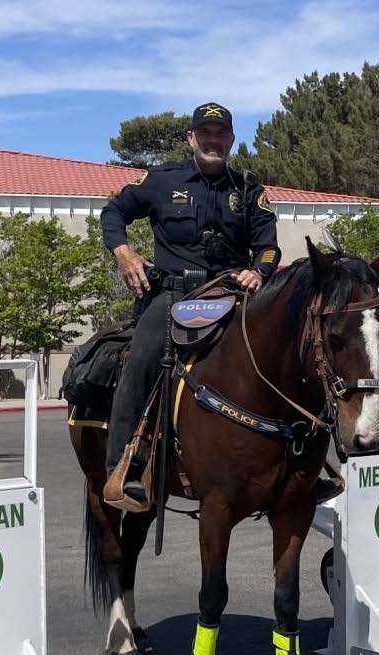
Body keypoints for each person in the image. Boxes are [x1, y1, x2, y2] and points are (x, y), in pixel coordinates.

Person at [99, 102, 279, 508]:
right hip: (175, 296)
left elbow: (268, 247)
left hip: (233, 295)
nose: (214, 140)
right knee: (144, 356)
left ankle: (308, 462)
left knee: (288, 347)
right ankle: (122, 466)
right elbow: (114, 213)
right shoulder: (163, 180)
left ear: (231, 139)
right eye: (206, 133)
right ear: (191, 138)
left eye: (221, 134)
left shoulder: (248, 189)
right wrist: (125, 255)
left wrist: (260, 272)